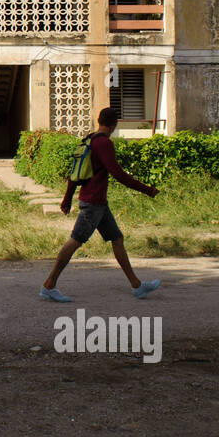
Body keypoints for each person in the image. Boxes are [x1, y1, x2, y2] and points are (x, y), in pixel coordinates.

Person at [40, 106, 161, 302]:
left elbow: (75, 174)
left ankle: (137, 286)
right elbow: (118, 174)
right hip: (93, 204)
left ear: (99, 121)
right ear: (114, 124)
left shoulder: (89, 140)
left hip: (98, 204)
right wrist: (147, 190)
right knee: (74, 241)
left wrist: (68, 197)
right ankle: (49, 285)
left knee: (117, 239)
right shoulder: (104, 144)